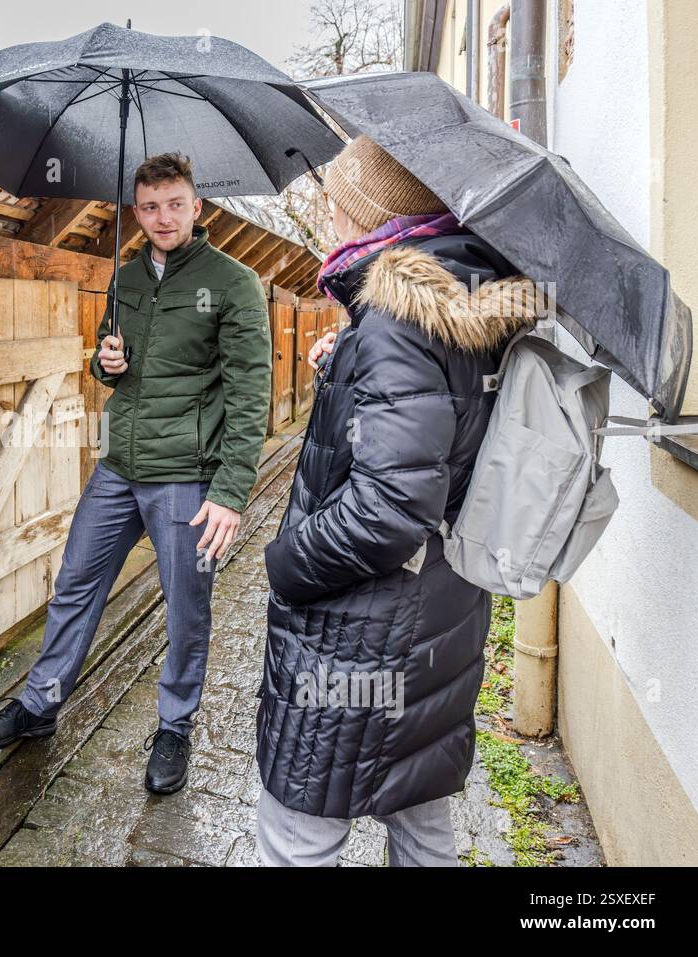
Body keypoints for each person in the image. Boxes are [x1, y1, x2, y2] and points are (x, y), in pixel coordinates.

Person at [256, 135, 543, 865]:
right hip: (436, 623)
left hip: (358, 637)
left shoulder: (396, 323)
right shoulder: (460, 298)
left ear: (368, 214)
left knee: (299, 835)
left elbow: (387, 510)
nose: (326, 214)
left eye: (336, 202)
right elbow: (438, 430)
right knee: (419, 823)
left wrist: (287, 562)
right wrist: (350, 355)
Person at [0, 152, 272, 795]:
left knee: (186, 609)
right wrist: (106, 362)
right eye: (150, 206)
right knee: (75, 584)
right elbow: (113, 368)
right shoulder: (127, 277)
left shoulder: (233, 282)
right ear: (136, 211)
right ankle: (40, 706)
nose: (163, 217)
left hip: (187, 478)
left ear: (198, 206)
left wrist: (230, 493)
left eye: (174, 204)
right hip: (119, 466)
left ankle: (174, 727)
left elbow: (251, 394)